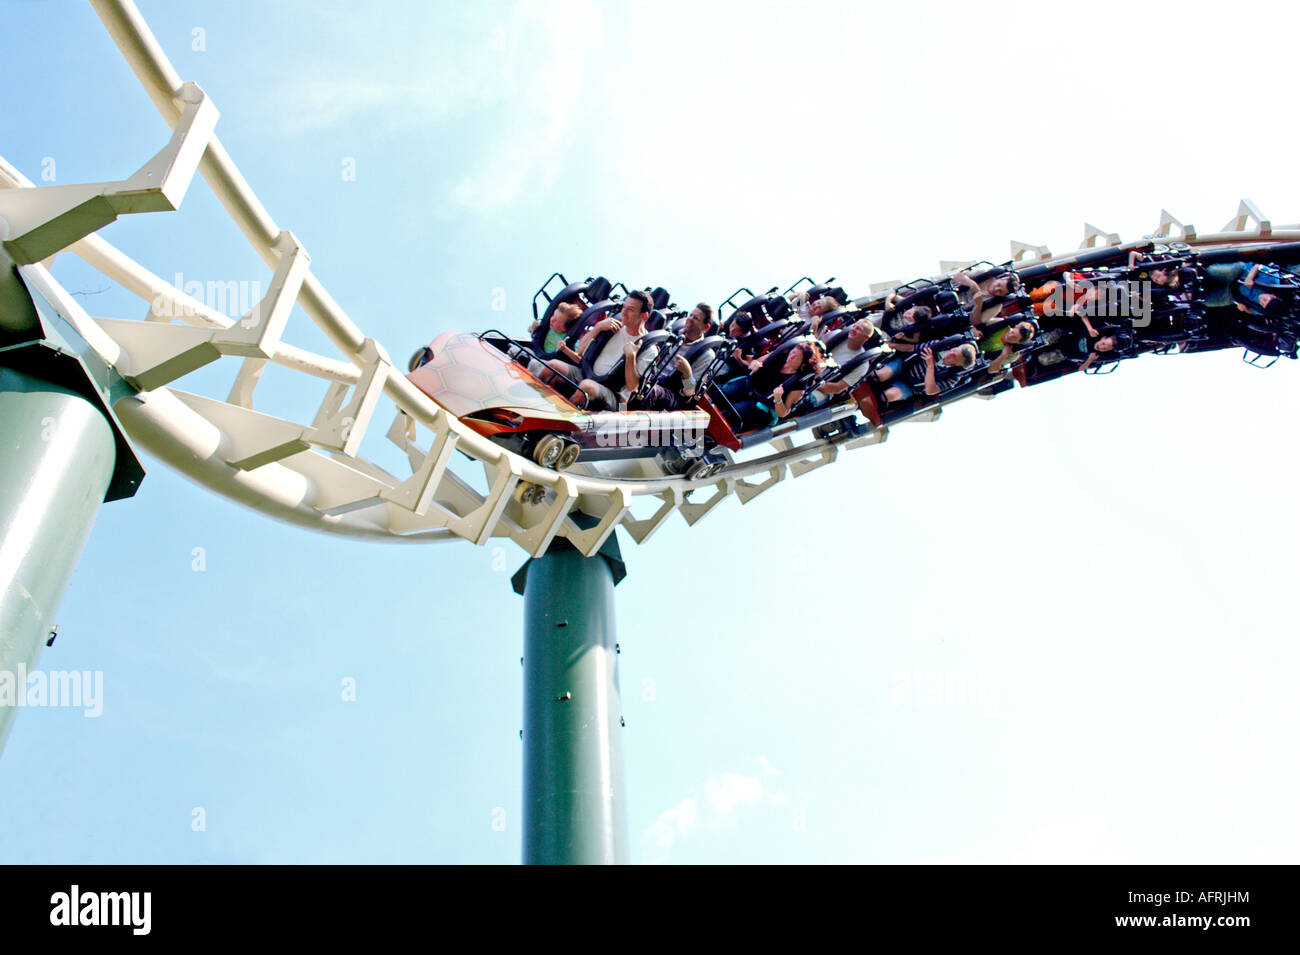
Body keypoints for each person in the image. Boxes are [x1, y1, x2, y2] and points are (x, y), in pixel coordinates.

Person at [545, 289, 660, 409]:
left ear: (644, 315)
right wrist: (598, 328)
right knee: (551, 366)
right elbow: (579, 352)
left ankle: (561, 421)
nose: (624, 312)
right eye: (624, 307)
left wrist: (631, 357)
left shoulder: (649, 349)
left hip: (615, 396)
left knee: (586, 387)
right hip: (587, 374)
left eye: (630, 310)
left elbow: (633, 387)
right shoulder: (612, 326)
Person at [633, 303, 717, 411]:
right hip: (650, 378)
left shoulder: (706, 355)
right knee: (629, 381)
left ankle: (625, 422)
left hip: (673, 394)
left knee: (649, 392)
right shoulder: (673, 334)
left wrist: (687, 373)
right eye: (690, 315)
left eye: (696, 318)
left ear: (706, 327)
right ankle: (616, 412)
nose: (690, 319)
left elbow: (690, 392)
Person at [866, 335, 978, 405]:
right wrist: (890, 344)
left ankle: (865, 402)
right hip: (904, 366)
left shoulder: (953, 377)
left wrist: (930, 365)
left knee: (888, 396)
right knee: (879, 375)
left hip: (912, 385)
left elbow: (930, 390)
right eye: (954, 350)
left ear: (958, 364)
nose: (950, 353)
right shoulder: (938, 346)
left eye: (954, 356)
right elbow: (912, 348)